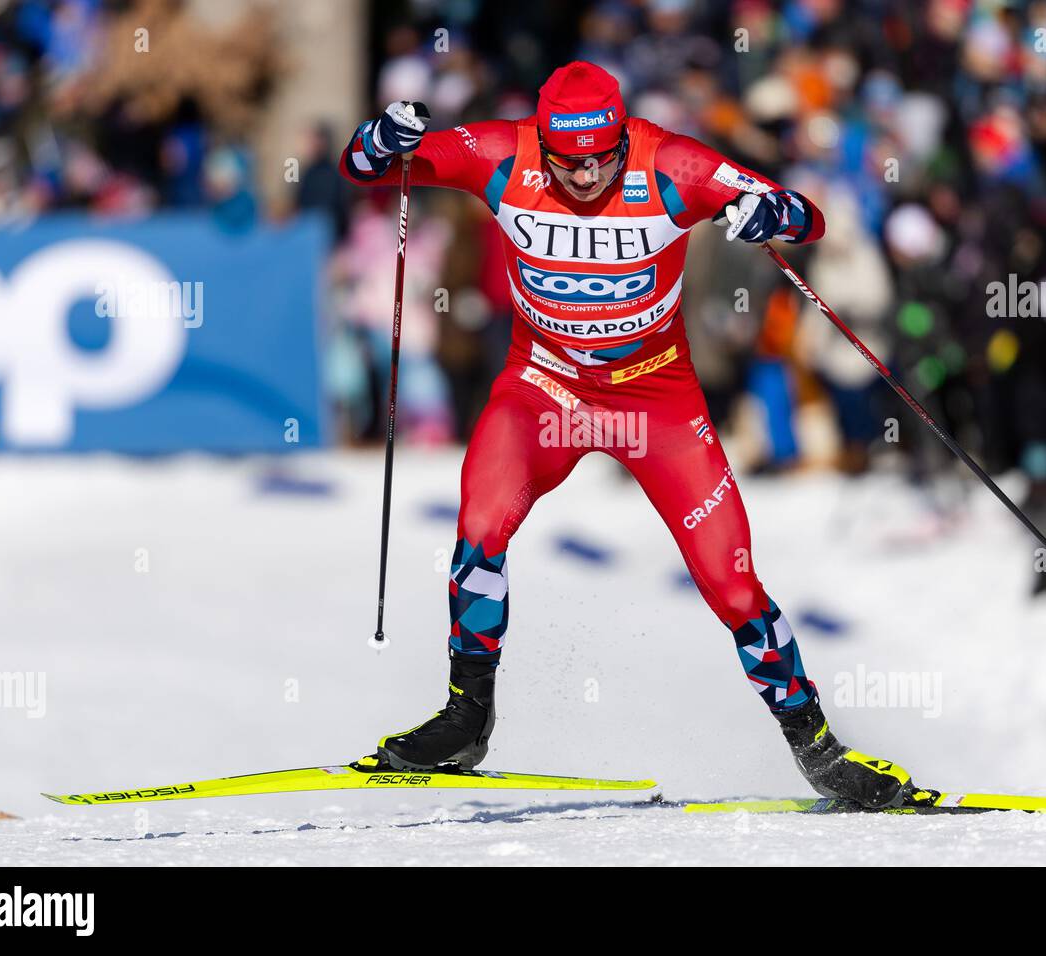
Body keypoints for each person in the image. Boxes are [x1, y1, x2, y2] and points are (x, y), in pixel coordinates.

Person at [338, 61, 928, 808]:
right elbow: (365, 169)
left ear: (622, 138)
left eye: (601, 158)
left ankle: (818, 748)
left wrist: (772, 213)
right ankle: (466, 718)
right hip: (543, 388)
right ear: (543, 144)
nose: (585, 176)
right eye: (568, 161)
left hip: (656, 400)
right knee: (479, 528)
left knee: (732, 584)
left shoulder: (674, 165)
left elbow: (806, 217)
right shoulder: (499, 154)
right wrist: (381, 133)